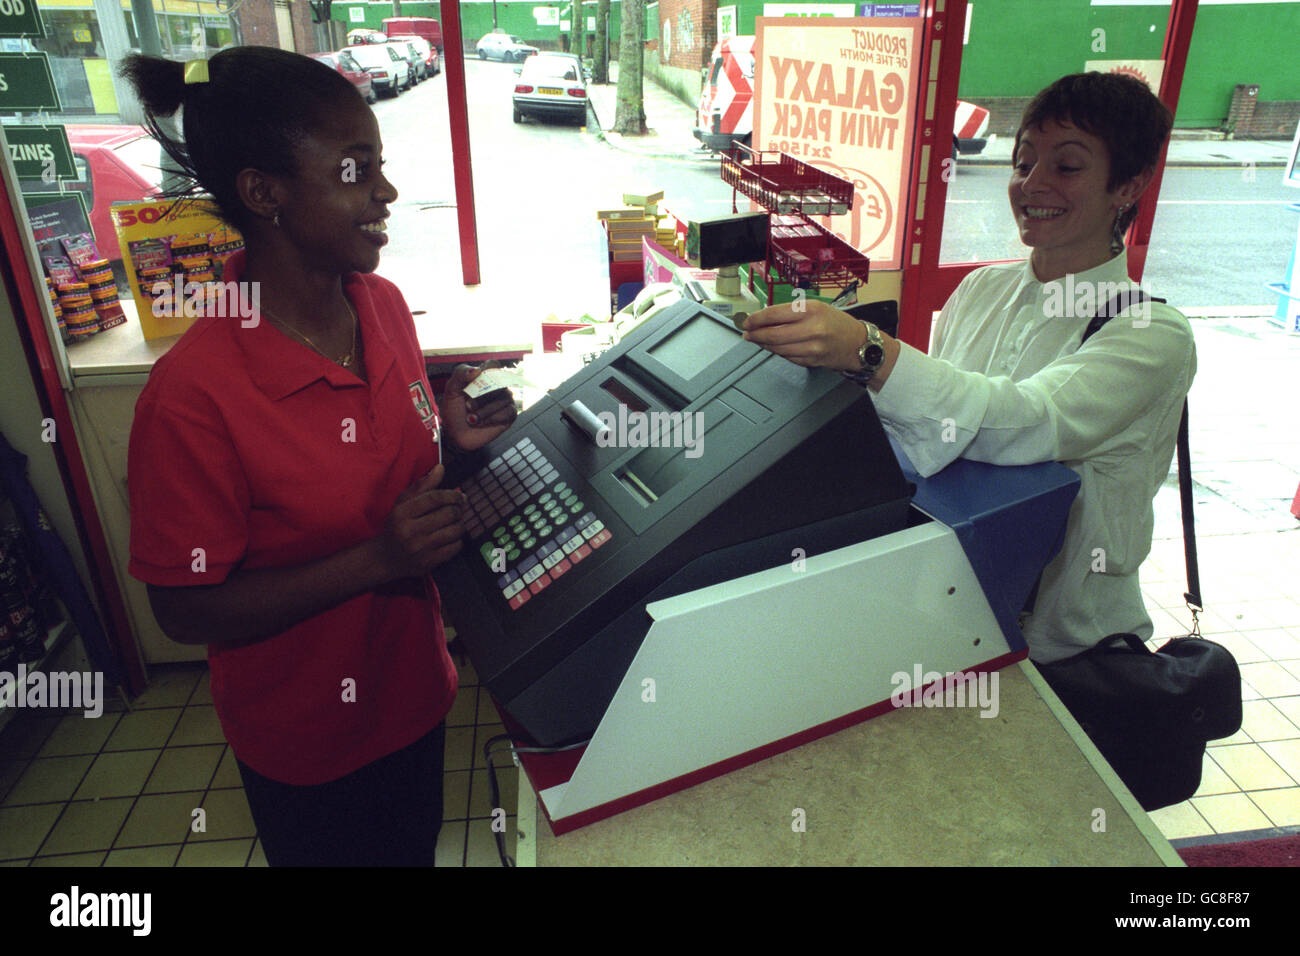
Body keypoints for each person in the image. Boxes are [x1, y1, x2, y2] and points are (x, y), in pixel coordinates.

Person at [122, 47, 517, 866]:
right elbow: (184, 609)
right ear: (264, 193)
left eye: (381, 165)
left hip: (414, 699)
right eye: (354, 170)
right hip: (307, 749)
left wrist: (450, 439)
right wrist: (377, 559)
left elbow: (382, 475)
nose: (386, 193)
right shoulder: (194, 395)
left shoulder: (382, 306)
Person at [743, 72, 1195, 665]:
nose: (1033, 184)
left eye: (1067, 166)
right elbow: (936, 433)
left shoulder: (1153, 336)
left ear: (1129, 184)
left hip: (1069, 647)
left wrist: (869, 351)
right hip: (956, 613)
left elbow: (1027, 422)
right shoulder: (981, 289)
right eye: (1023, 161)